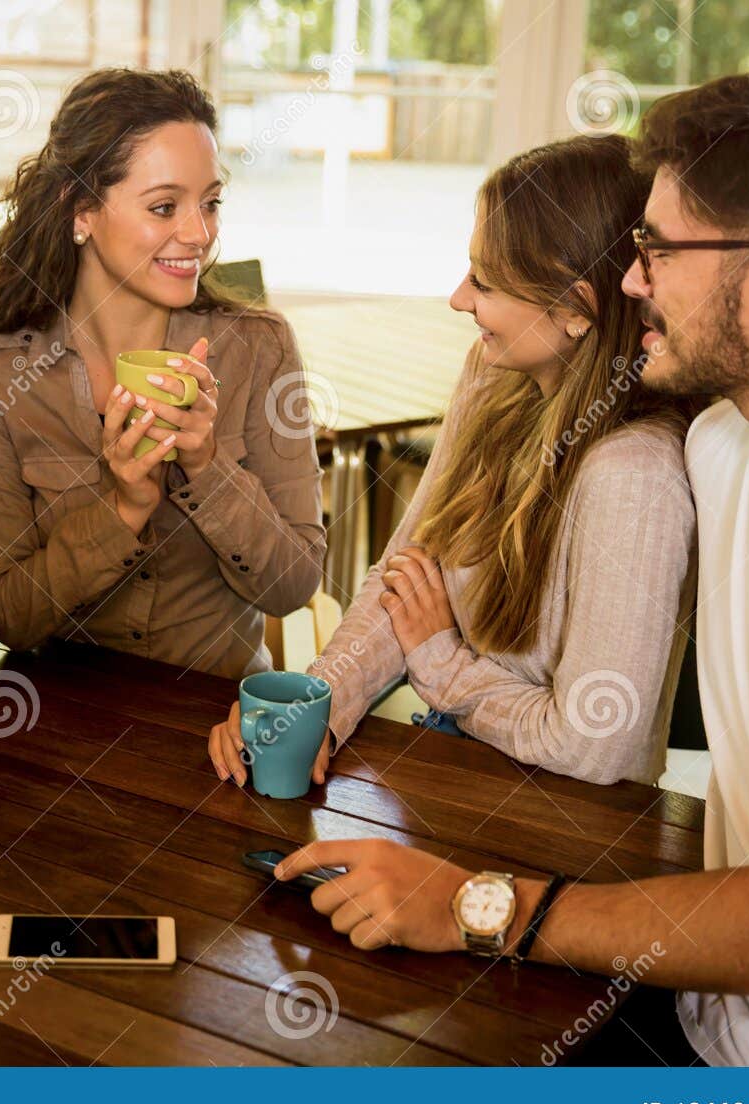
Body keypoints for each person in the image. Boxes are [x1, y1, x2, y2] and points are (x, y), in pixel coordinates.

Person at [277, 69, 749, 1067]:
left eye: (659, 249)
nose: (632, 277)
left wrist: (473, 902)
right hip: (700, 1014)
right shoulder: (724, 442)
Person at [210, 134, 700, 787]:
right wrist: (316, 706)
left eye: (486, 281)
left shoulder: (634, 474)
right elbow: (403, 581)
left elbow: (593, 748)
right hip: (448, 774)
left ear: (576, 310)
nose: (459, 298)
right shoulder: (490, 376)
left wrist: (441, 663)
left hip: (563, 833)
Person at [0, 68, 325, 679]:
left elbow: (292, 586)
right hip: (56, 718)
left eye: (210, 203)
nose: (200, 234)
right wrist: (123, 508)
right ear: (81, 212)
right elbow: (9, 617)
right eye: (164, 207)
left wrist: (207, 467)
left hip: (218, 719)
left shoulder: (259, 349)